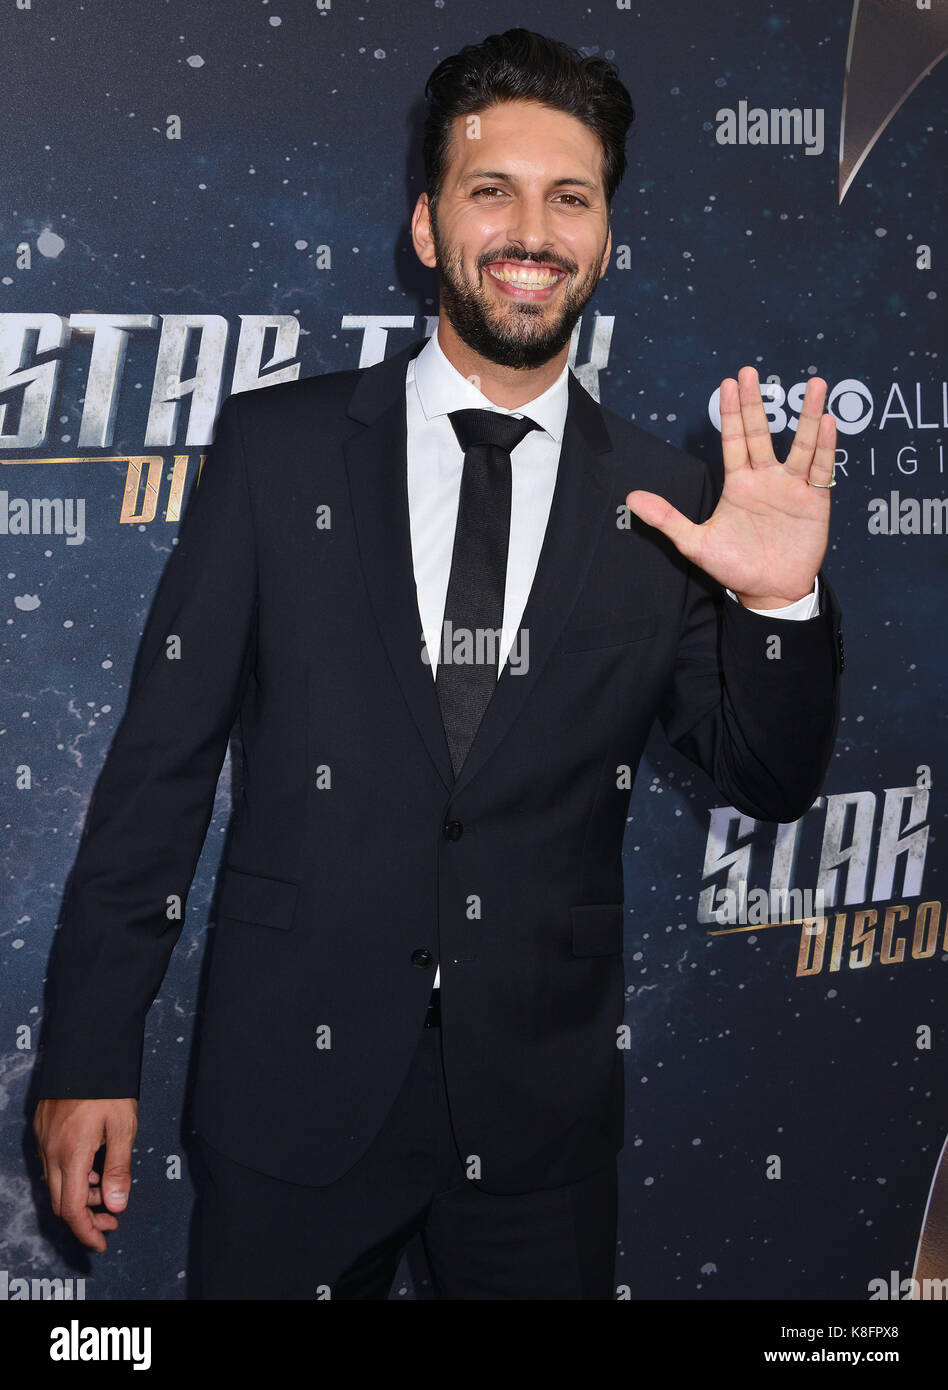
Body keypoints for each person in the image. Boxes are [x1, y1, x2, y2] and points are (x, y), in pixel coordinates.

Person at [32, 28, 843, 1300]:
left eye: (570, 196)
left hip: (538, 1124)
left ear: (605, 240)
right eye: (492, 189)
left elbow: (766, 776)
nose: (534, 228)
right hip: (287, 1108)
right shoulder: (276, 452)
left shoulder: (676, 499)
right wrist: (88, 1052)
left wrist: (782, 596)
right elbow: (159, 772)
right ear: (426, 228)